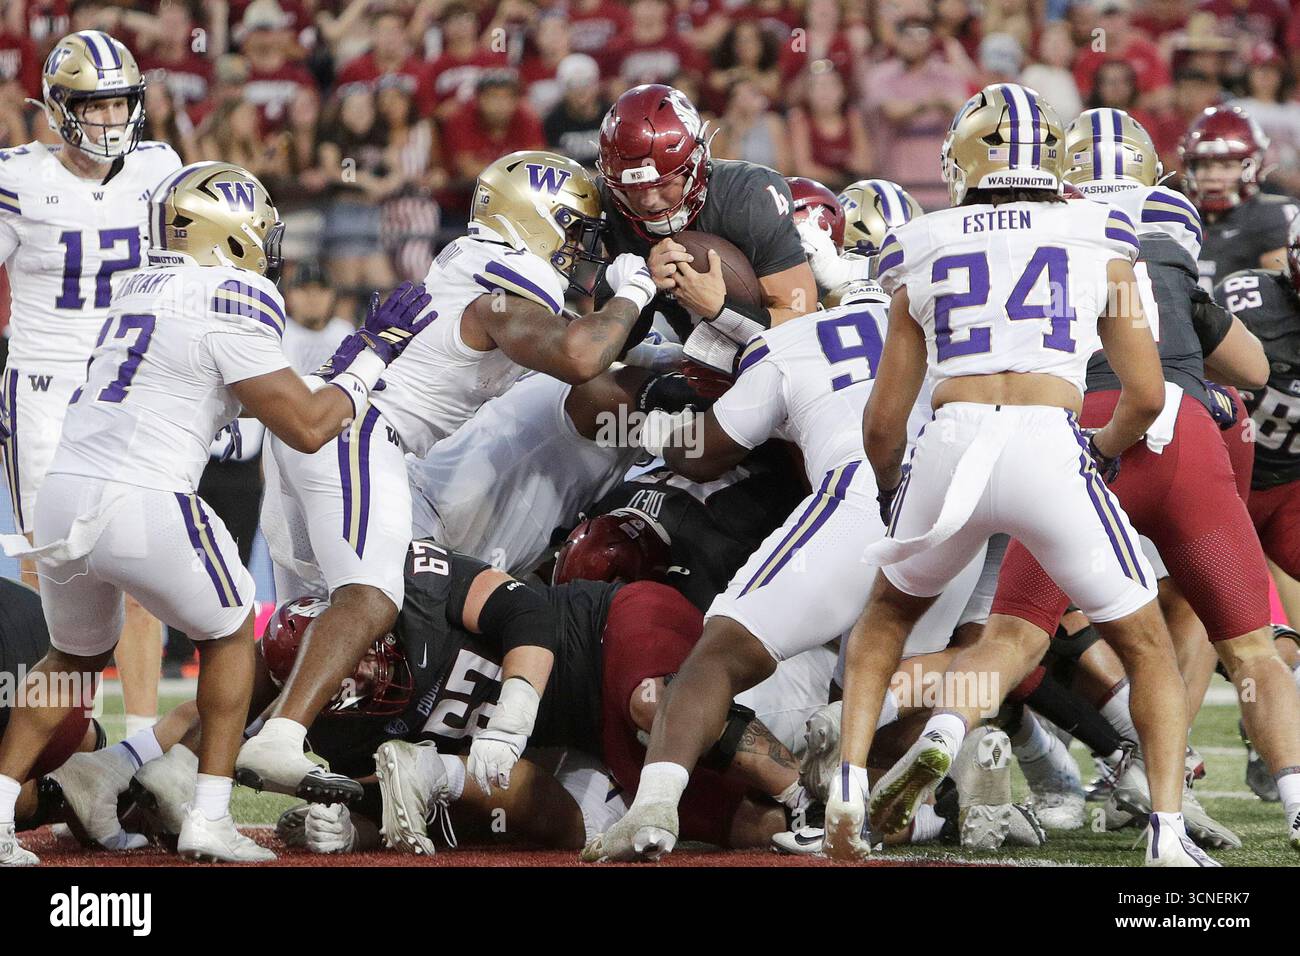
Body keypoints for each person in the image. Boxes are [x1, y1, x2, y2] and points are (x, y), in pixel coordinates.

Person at [0, 161, 435, 866]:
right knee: (235, 636)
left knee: (74, 656)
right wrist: (369, 356)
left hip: (64, 491)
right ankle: (209, 817)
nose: (267, 245)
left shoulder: (138, 284)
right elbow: (307, 425)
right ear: (228, 235)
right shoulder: (231, 293)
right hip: (141, 496)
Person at [826, 85, 1203, 867]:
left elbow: (881, 423)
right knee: (1145, 648)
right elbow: (1147, 395)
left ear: (963, 159)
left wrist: (896, 487)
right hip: (1048, 439)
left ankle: (848, 788)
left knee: (885, 622)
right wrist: (1099, 450)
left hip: (952, 440)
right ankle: (1167, 835)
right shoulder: (1105, 230)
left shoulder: (921, 239)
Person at [237, 151, 658, 805]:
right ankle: (281, 737)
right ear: (533, 220)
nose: (579, 248)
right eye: (572, 228)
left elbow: (575, 349)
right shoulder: (503, 284)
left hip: (328, 428)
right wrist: (635, 293)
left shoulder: (476, 269)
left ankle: (174, 765)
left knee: (312, 624)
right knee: (371, 600)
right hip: (360, 432)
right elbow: (580, 354)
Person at [581, 274, 892, 861]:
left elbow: (702, 453)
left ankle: (658, 807)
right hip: (957, 489)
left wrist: (655, 429)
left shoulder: (785, 353)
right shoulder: (927, 326)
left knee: (712, 660)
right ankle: (937, 784)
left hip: (861, 499)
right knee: (974, 651)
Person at [0, 30, 183, 742]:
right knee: (51, 570)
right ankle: (49, 740)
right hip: (44, 387)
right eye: (93, 105)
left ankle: (135, 746)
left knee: (139, 563)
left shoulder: (161, 167)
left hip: (131, 386)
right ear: (58, 107)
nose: (109, 121)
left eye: (119, 104)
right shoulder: (17, 177)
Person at [596, 83, 817, 363]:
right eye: (634, 189)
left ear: (696, 162)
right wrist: (642, 283)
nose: (649, 200)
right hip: (694, 360)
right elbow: (606, 348)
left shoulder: (747, 196)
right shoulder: (611, 202)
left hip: (779, 363)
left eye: (664, 183)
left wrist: (721, 310)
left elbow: (803, 325)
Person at [1182, 104, 1299, 289]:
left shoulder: (1273, 217)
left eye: (1227, 166)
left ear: (1251, 167)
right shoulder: (1180, 219)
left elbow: (1286, 303)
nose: (1212, 176)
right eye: (1204, 165)